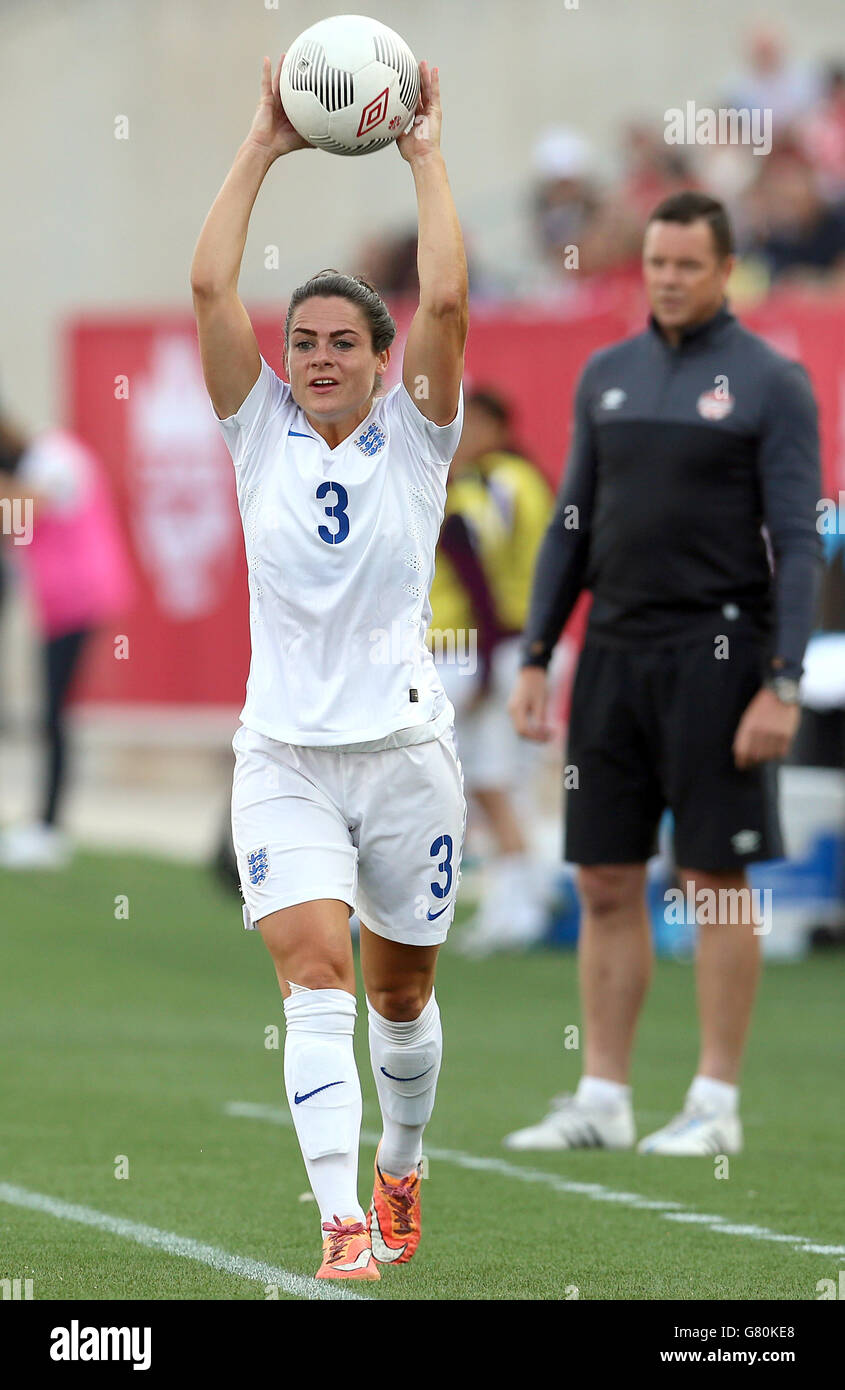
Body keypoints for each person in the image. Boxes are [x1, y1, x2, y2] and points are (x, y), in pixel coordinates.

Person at [190, 54, 468, 1280]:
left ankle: (398, 1166)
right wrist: (261, 141)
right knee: (314, 974)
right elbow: (206, 284)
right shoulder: (255, 433)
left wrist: (421, 153)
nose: (311, 357)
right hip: (285, 757)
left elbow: (449, 306)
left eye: (336, 342)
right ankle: (338, 1221)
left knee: (399, 995)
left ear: (376, 353)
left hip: (406, 758)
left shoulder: (418, 440)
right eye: (297, 339)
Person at [507, 191, 822, 1156]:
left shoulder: (771, 382)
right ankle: (602, 1095)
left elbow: (799, 544)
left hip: (718, 657)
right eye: (655, 264)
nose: (669, 281)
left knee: (714, 878)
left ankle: (715, 1103)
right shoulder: (606, 373)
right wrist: (534, 654)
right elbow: (571, 523)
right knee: (604, 876)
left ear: (726, 271)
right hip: (611, 655)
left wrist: (780, 681)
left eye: (688, 266)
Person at [439, 390, 557, 955]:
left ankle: (520, 907)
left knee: (488, 781)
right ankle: (519, 903)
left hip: (506, 646)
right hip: (526, 643)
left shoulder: (493, 483)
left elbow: (479, 560)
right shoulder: (530, 478)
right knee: (501, 782)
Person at [0, 411, 135, 867]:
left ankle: (49, 827)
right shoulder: (40, 461)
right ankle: (44, 823)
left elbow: (24, 508)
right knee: (52, 713)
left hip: (80, 597)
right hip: (57, 605)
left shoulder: (54, 456)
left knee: (54, 714)